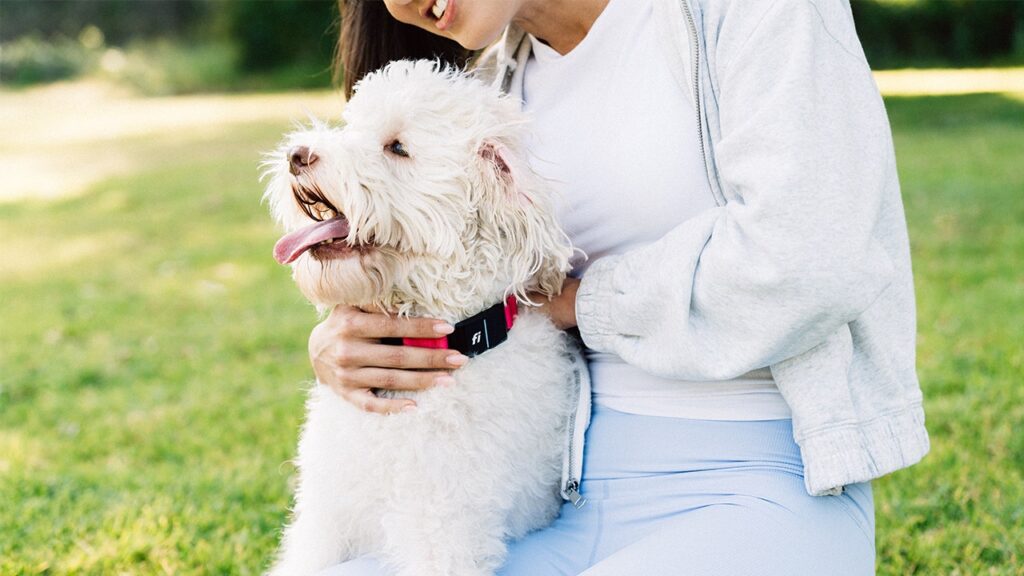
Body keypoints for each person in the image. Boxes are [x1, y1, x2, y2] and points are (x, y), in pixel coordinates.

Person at [308, 0, 929, 574]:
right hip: (559, 508)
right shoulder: (487, 91)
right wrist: (347, 342)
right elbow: (457, 287)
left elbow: (811, 256)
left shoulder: (756, 12)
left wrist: (582, 302)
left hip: (758, 487)